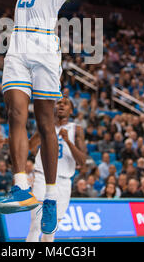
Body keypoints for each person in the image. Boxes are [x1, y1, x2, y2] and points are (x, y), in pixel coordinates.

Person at [0, 0, 92, 235]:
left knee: (46, 123)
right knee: (14, 112)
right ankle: (22, 186)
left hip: (43, 44)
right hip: (18, 42)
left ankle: (50, 195)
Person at [26, 97, 86, 242]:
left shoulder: (76, 129)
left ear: (71, 110)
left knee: (50, 230)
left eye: (66, 104)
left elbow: (82, 161)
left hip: (63, 182)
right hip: (43, 178)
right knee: (36, 223)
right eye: (59, 103)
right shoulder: (45, 126)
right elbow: (30, 147)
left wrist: (67, 141)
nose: (61, 105)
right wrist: (44, 132)